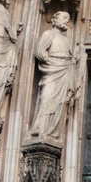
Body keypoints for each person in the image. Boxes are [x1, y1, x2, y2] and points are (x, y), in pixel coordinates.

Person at [28, 12, 78, 145]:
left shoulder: (66, 40)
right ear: (55, 20)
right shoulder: (48, 34)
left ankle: (53, 131)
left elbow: (69, 59)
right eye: (64, 18)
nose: (67, 21)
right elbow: (40, 51)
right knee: (47, 98)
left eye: (68, 18)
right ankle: (40, 130)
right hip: (52, 73)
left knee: (60, 104)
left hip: (63, 74)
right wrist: (47, 57)